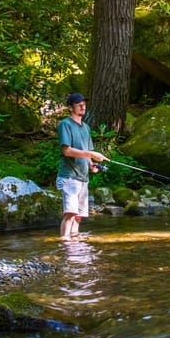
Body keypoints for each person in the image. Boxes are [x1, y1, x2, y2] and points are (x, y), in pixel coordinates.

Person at [56, 92, 107, 238]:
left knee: (78, 217)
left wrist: (92, 165)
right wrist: (91, 155)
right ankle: (65, 243)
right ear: (71, 107)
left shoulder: (86, 128)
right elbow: (67, 151)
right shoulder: (65, 124)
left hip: (83, 178)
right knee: (70, 214)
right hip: (69, 177)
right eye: (79, 104)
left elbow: (87, 150)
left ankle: (74, 246)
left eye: (84, 104)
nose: (83, 106)